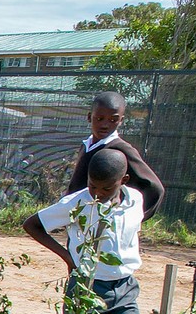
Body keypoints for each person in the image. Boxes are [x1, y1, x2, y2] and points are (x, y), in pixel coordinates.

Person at [24, 148, 142, 314]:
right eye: (92, 186)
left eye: (106, 188)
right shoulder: (77, 203)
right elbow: (33, 225)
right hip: (87, 289)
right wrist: (69, 258)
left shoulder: (136, 200)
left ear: (124, 181)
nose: (97, 193)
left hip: (125, 288)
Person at [66, 91, 164, 220]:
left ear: (121, 120)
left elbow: (155, 188)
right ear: (89, 117)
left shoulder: (120, 148)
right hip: (79, 220)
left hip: (98, 222)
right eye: (100, 119)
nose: (105, 125)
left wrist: (130, 218)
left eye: (113, 120)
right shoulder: (86, 145)